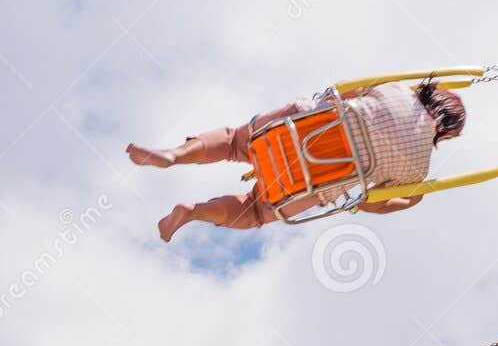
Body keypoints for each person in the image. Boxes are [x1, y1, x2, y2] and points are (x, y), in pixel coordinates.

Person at [126, 79, 468, 241]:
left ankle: (173, 155)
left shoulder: (395, 90)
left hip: (290, 130)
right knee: (254, 211)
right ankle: (194, 211)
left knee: (232, 142)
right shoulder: (417, 166)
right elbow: (370, 203)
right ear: (445, 134)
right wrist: (413, 199)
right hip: (311, 182)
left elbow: (343, 91)